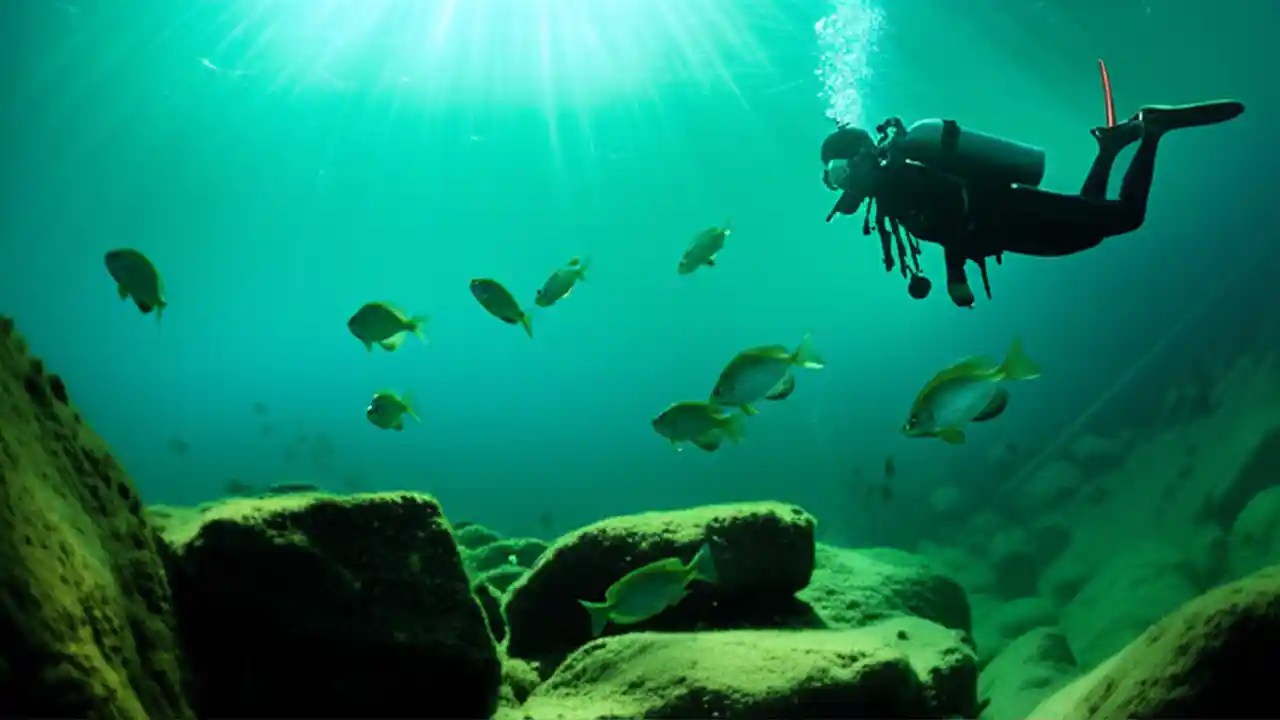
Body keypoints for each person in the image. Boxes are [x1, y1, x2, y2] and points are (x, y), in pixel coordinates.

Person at [820, 99, 1245, 307]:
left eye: (840, 172)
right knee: (1088, 236)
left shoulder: (900, 178)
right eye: (833, 179)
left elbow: (952, 209)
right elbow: (946, 221)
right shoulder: (890, 191)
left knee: (1126, 217)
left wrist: (955, 277)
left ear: (860, 158)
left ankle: (1152, 129)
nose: (842, 185)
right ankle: (1110, 147)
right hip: (1008, 227)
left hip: (1013, 211)